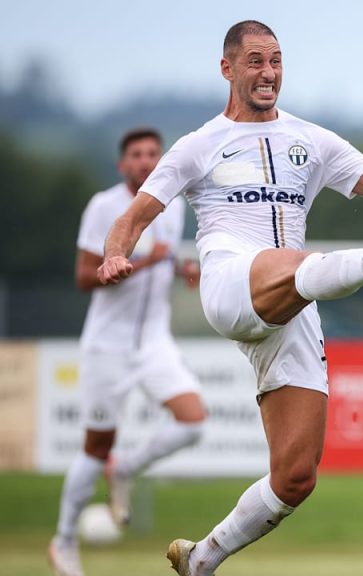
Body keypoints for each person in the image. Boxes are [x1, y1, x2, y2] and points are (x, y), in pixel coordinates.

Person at [96, 20, 363, 575]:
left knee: (296, 476)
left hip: (293, 304)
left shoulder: (311, 140)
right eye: (255, 61)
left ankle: (203, 557)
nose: (268, 73)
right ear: (228, 68)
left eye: (276, 61)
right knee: (292, 263)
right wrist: (114, 254)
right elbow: (133, 217)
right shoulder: (198, 146)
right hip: (231, 282)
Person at [49, 128, 207, 576]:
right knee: (96, 446)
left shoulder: (171, 207)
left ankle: (126, 469)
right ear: (123, 165)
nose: (145, 161)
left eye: (152, 154)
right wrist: (146, 262)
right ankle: (62, 542)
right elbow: (83, 277)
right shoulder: (104, 206)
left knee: (194, 422)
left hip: (154, 342)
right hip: (108, 345)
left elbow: (166, 255)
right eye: (136, 155)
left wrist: (182, 267)